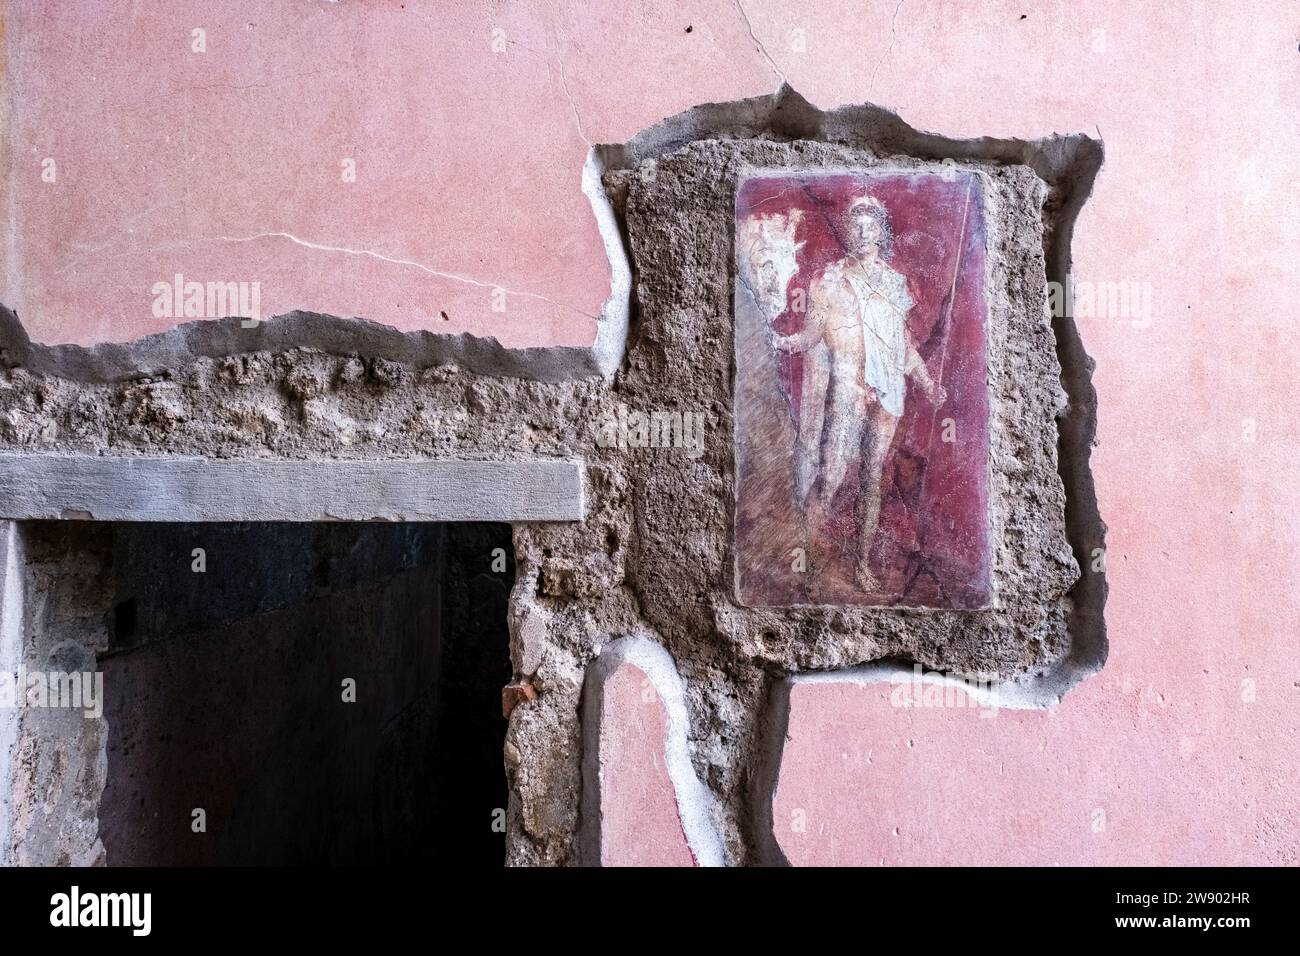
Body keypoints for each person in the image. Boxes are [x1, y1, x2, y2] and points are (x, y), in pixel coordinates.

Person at [770, 192, 946, 591]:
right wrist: (781, 340)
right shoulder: (829, 281)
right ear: (847, 233)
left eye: (871, 226)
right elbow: (811, 336)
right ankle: (803, 552)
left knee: (873, 478)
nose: (864, 233)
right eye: (856, 226)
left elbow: (904, 346)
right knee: (832, 475)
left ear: (882, 233)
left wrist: (928, 383)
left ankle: (862, 562)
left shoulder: (895, 283)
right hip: (848, 389)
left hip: (888, 393)